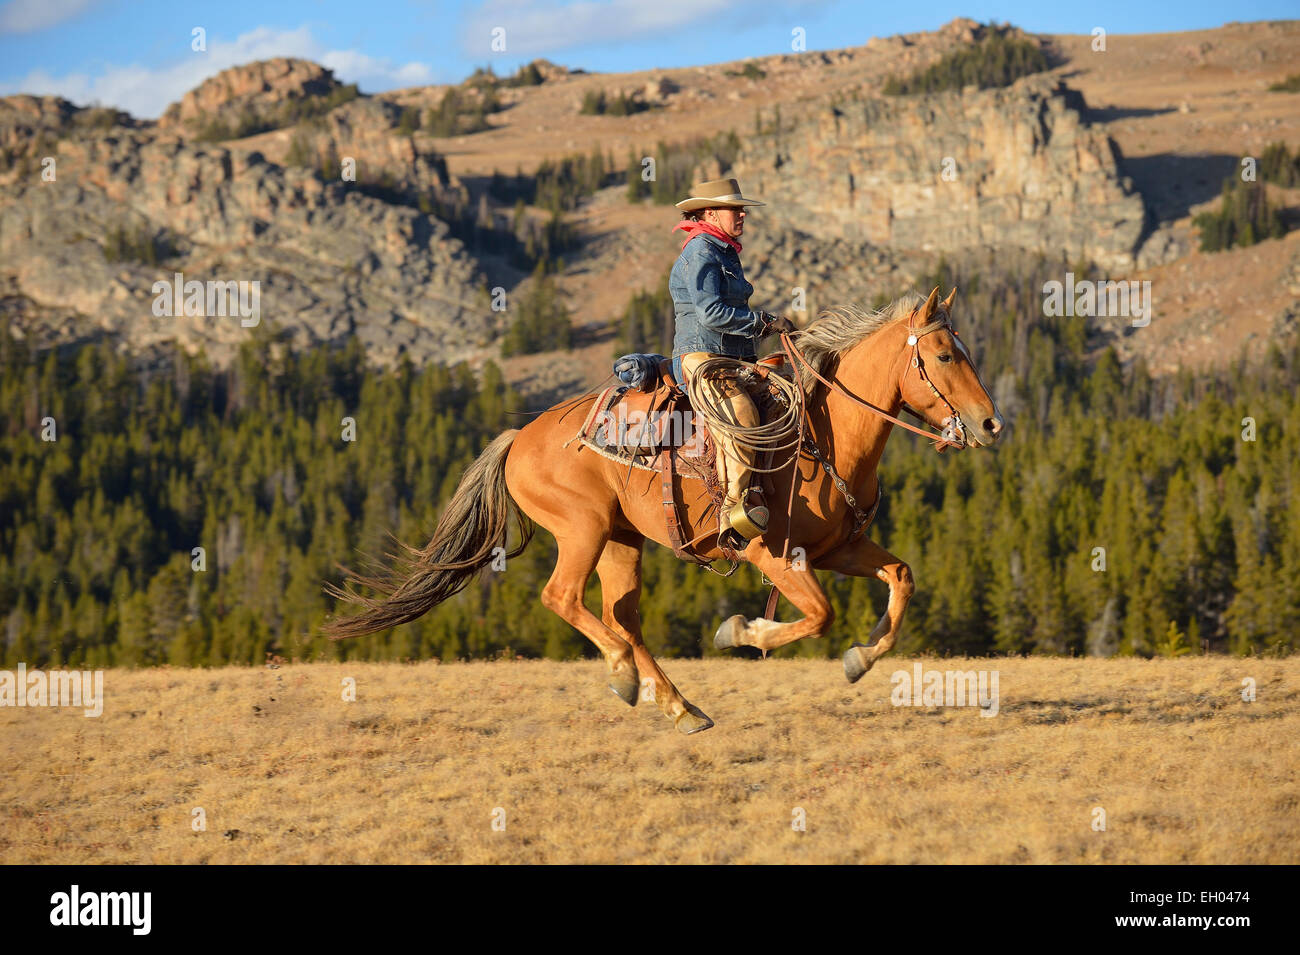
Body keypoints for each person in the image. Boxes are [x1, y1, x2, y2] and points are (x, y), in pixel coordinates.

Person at [668, 177, 794, 547]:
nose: (741, 215)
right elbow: (711, 314)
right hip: (702, 357)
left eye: (742, 210)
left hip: (734, 358)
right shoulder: (702, 252)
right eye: (734, 209)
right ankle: (734, 514)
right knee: (741, 413)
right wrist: (764, 322)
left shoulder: (724, 251)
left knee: (786, 396)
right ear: (710, 213)